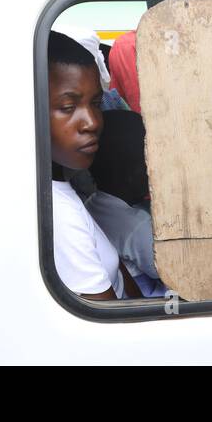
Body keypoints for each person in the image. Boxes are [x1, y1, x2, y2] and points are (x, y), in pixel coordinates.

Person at [47, 32, 141, 301]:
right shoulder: (58, 216)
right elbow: (114, 328)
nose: (92, 122)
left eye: (96, 104)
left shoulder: (61, 189)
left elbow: (120, 277)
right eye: (68, 106)